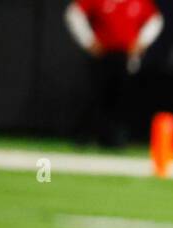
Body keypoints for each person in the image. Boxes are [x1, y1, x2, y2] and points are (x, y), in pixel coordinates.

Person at [64, 0, 164, 148]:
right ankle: (84, 136)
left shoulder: (139, 2)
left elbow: (156, 20)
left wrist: (141, 42)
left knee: (119, 99)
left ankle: (113, 139)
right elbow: (74, 14)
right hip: (103, 55)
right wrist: (88, 41)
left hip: (125, 56)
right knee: (96, 96)